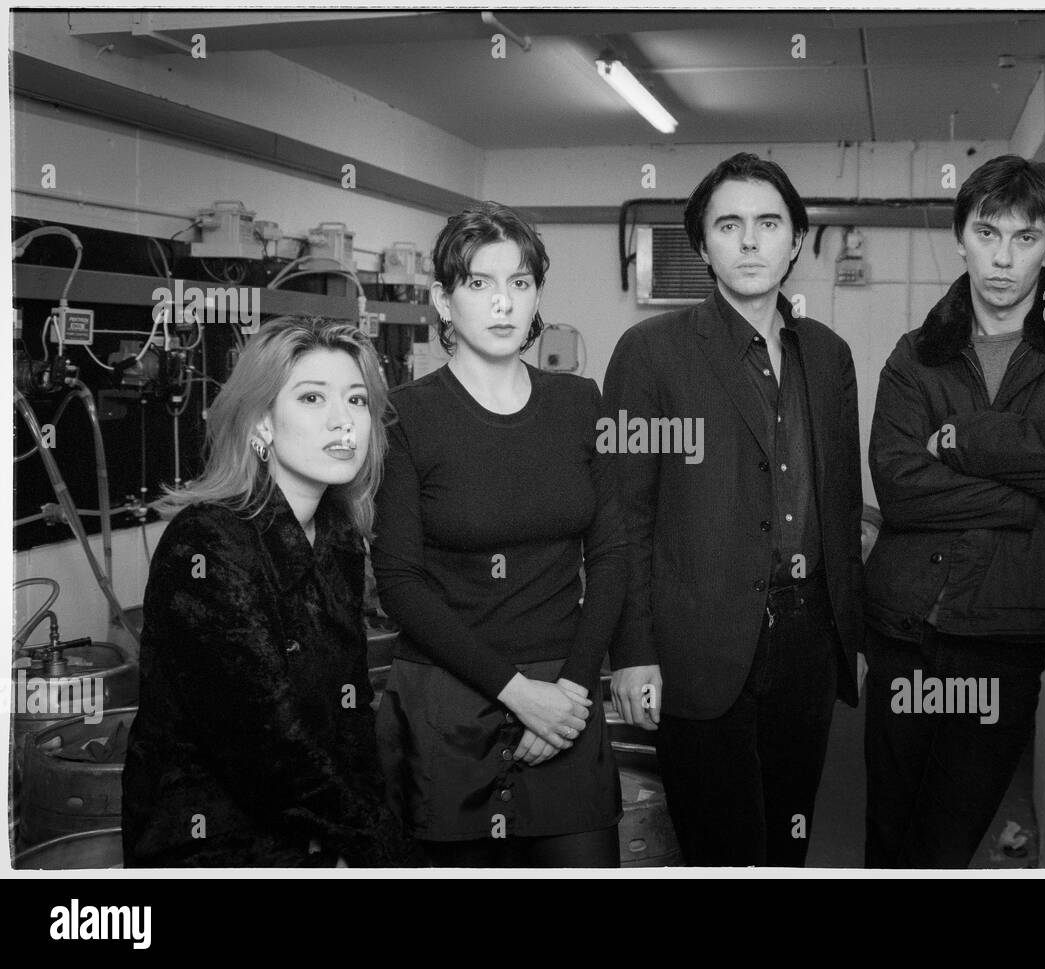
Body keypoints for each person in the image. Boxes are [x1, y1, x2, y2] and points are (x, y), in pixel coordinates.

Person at [862, 155, 1045, 868]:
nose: (1003, 259)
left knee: (948, 839)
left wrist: (965, 440)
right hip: (906, 625)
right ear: (961, 238)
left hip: (1007, 632)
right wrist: (1025, 498)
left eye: (1025, 237)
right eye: (987, 234)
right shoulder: (916, 356)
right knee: (888, 834)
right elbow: (900, 484)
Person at [603, 152, 866, 866]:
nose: (750, 241)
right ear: (702, 245)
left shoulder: (828, 355)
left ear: (796, 239)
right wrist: (632, 653)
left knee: (786, 845)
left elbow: (841, 505)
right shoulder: (651, 352)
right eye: (729, 225)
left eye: (768, 223)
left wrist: (850, 635)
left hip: (808, 643)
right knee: (722, 853)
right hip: (698, 648)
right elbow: (624, 515)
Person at [372, 202, 627, 868]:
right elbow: (399, 581)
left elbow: (611, 554)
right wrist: (517, 692)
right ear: (443, 300)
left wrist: (571, 692)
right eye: (479, 283)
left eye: (520, 282)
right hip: (450, 701)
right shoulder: (405, 416)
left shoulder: (580, 403)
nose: (503, 302)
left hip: (566, 695)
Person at [123, 316, 410, 867]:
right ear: (260, 422)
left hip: (315, 825)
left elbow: (349, 717)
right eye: (312, 398)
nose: (343, 421)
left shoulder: (338, 537)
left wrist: (367, 837)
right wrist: (376, 847)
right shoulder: (207, 543)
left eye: (356, 401)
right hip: (212, 841)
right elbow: (263, 743)